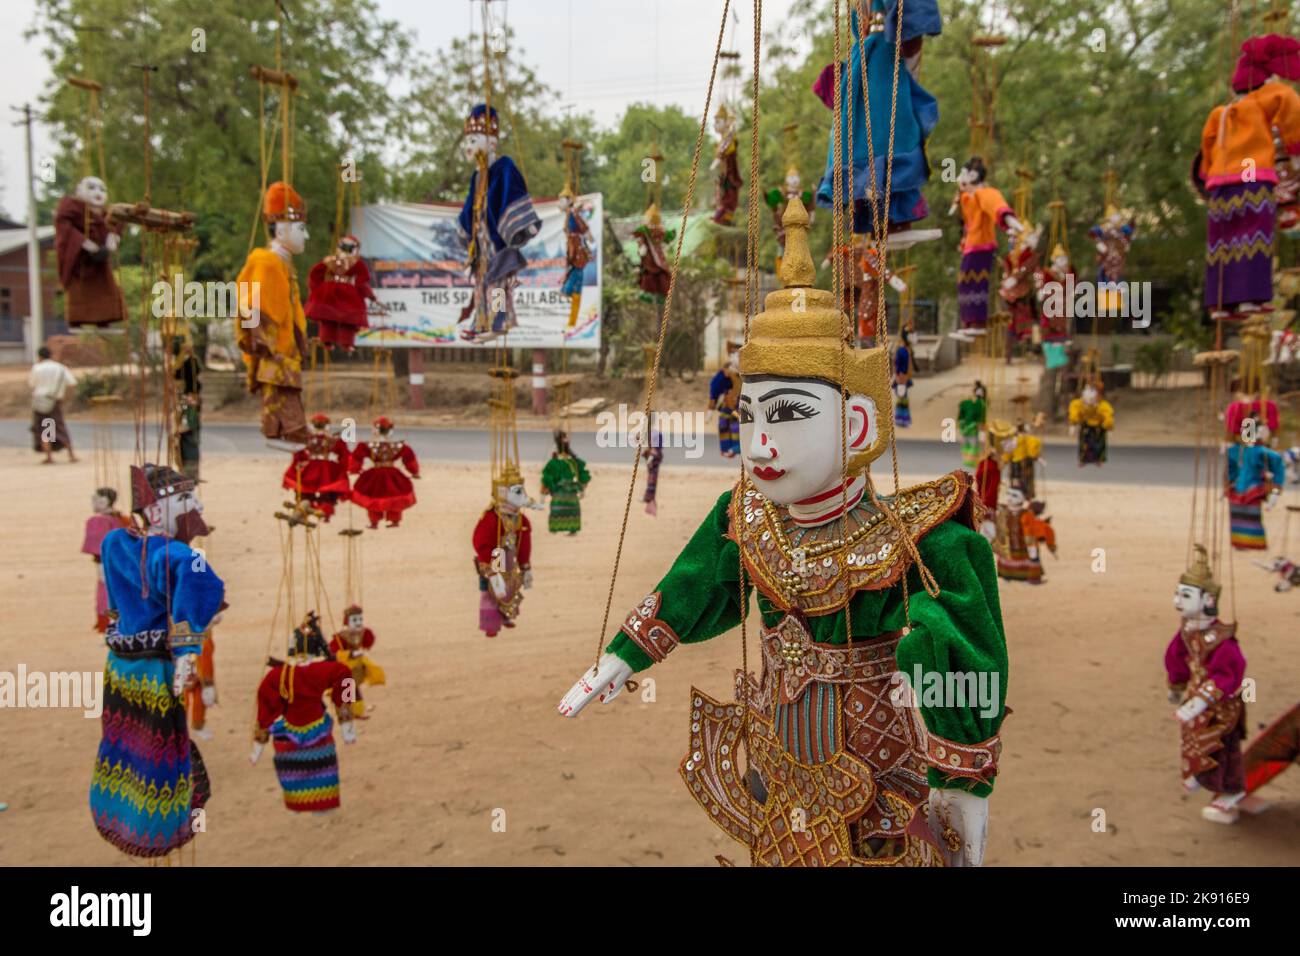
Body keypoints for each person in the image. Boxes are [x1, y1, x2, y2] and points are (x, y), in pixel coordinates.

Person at [559, 201, 1007, 867]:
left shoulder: (925, 544)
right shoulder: (747, 518)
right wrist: (625, 655)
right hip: (778, 772)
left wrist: (964, 788)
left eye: (788, 414)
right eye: (747, 417)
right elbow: (694, 585)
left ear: (856, 426)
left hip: (880, 792)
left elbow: (964, 665)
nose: (759, 442)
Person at [91, 464, 224, 857]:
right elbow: (199, 595)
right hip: (153, 671)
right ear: (156, 511)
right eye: (185, 498)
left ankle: (121, 815)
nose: (196, 503)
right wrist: (185, 655)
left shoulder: (116, 543)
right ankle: (157, 827)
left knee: (124, 741)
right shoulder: (182, 555)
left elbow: (117, 603)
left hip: (119, 665)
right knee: (158, 752)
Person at [1193, 34, 1300, 319]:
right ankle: (1249, 299)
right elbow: (1292, 117)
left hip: (1221, 184)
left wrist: (1207, 177)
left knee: (1222, 242)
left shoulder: (1222, 112)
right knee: (1254, 236)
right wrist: (1295, 153)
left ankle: (1219, 304)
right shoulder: (1271, 95)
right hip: (1252, 175)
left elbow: (1206, 149)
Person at [1165, 546, 1248, 824]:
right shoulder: (1189, 630)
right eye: (1178, 594)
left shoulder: (1222, 640)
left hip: (1220, 706)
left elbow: (1229, 673)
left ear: (1208, 599)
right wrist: (1176, 685)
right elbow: (1175, 655)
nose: (1178, 600)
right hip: (1194, 697)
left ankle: (1231, 791)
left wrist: (1201, 700)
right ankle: (1198, 775)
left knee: (1221, 746)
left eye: (1185, 595)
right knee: (1193, 738)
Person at [252, 612, 356, 813]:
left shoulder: (277, 675)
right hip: (318, 729)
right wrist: (346, 719)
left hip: (289, 731)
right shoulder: (325, 670)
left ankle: (298, 803)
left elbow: (265, 707)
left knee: (292, 769)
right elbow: (346, 676)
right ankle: (321, 803)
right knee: (322, 767)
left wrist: (258, 743)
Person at [457, 104, 542, 341]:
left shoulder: (504, 167)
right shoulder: (477, 176)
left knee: (499, 282)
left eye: (474, 140)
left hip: (499, 239)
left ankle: (498, 321)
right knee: (481, 283)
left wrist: (524, 225)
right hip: (482, 240)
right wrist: (466, 232)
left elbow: (514, 192)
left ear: (492, 143)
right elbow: (468, 209)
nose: (468, 146)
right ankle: (481, 322)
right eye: (468, 141)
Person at [236, 181, 310, 444]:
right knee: (281, 394)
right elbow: (250, 306)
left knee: (287, 394)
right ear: (281, 229)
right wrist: (261, 339)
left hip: (284, 351)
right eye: (301, 229)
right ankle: (288, 431)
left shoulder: (283, 264)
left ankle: (290, 431)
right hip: (273, 349)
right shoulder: (265, 263)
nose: (306, 236)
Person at [954, 157, 1024, 329]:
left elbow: (995, 204)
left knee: (976, 282)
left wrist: (1008, 219)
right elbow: (967, 223)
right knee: (964, 282)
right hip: (971, 247)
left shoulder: (983, 193)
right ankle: (970, 322)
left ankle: (977, 322)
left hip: (981, 246)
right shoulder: (967, 198)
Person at [53, 175, 125, 326]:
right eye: (91, 188)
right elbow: (67, 231)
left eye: (102, 189)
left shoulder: (109, 214)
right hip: (80, 260)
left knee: (106, 288)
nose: (98, 192)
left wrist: (108, 247)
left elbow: (115, 230)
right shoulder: (71, 208)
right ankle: (77, 318)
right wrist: (89, 247)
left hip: (100, 262)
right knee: (79, 291)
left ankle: (105, 318)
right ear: (79, 190)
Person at [472, 465, 535, 638]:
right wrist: (491, 569)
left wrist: (525, 566)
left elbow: (525, 544)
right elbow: (480, 541)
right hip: (492, 559)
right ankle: (490, 624)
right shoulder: (491, 518)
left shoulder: (521, 519)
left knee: (511, 588)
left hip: (509, 558)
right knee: (490, 592)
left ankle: (507, 616)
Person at [349, 416, 420, 528]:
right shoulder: (398, 446)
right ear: (390, 430)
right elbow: (409, 458)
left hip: (375, 474)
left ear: (375, 429)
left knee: (373, 496)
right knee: (395, 496)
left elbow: (357, 457)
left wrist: (355, 469)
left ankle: (374, 521)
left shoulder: (368, 445)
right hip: (392, 473)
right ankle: (395, 520)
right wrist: (414, 472)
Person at [82, 487, 131, 633]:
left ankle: (110, 625)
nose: (93, 503)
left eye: (95, 500)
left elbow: (97, 550)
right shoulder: (123, 519)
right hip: (125, 564)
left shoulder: (96, 521)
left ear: (104, 501)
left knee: (106, 595)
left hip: (106, 564)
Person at [328, 605, 385, 719]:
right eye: (355, 620)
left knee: (352, 690)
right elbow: (335, 653)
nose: (358, 622)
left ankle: (354, 712)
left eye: (360, 619)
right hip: (346, 667)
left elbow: (366, 643)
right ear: (347, 621)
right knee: (348, 690)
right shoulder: (341, 637)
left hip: (357, 666)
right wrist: (351, 654)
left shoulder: (361, 633)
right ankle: (347, 713)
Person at [29, 346, 78, 463]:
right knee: (59, 426)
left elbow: (32, 384)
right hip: (55, 401)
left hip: (40, 402)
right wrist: (66, 398)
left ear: (39, 356)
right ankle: (71, 454)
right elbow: (72, 383)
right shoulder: (60, 368)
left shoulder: (37, 368)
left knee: (45, 427)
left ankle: (49, 456)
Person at [540, 430, 591, 534]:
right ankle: (569, 529)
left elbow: (548, 477)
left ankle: (556, 528)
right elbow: (581, 475)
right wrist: (581, 487)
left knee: (559, 510)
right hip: (569, 492)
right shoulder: (572, 462)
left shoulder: (556, 462)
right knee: (571, 510)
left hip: (560, 492)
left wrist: (548, 488)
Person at [707, 343, 742, 459]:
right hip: (729, 402)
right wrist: (710, 409)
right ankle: (726, 448)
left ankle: (737, 448)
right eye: (732, 353)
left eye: (737, 353)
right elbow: (715, 387)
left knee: (738, 424)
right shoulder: (726, 372)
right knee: (723, 421)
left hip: (742, 403)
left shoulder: (747, 370)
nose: (734, 355)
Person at [1068, 381, 1115, 466]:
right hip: (1085, 423)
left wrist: (1109, 427)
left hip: (1099, 425)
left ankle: (1099, 459)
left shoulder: (1103, 405)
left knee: (1099, 443)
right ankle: (1083, 459)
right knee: (1084, 443)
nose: (1089, 400)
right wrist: (1073, 424)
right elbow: (1074, 412)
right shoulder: (1078, 403)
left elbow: (1108, 416)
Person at [893, 328, 914, 428]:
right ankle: (902, 419)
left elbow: (902, 364)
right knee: (902, 397)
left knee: (902, 397)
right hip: (902, 375)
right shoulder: (903, 350)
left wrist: (901, 375)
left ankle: (902, 419)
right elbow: (900, 364)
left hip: (902, 375)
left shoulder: (903, 350)